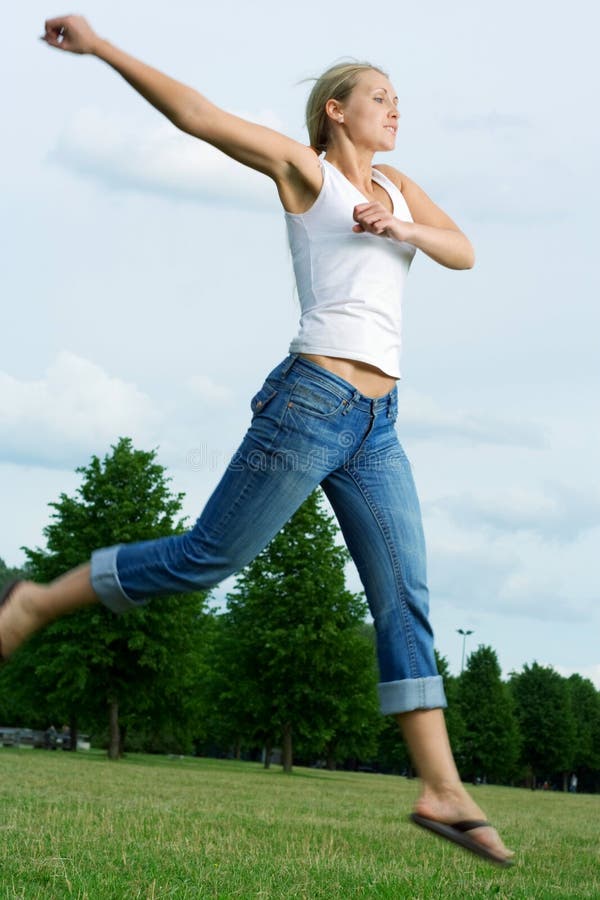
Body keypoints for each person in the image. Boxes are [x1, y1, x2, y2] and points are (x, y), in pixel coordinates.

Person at [0, 15, 513, 867]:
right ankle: (37, 602)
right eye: (380, 98)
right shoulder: (305, 173)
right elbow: (196, 116)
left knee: (405, 597)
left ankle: (444, 792)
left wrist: (406, 230)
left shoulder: (399, 187)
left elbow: (462, 251)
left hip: (379, 427)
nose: (395, 111)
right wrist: (103, 48)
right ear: (336, 112)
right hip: (311, 403)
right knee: (210, 557)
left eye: (399, 100)